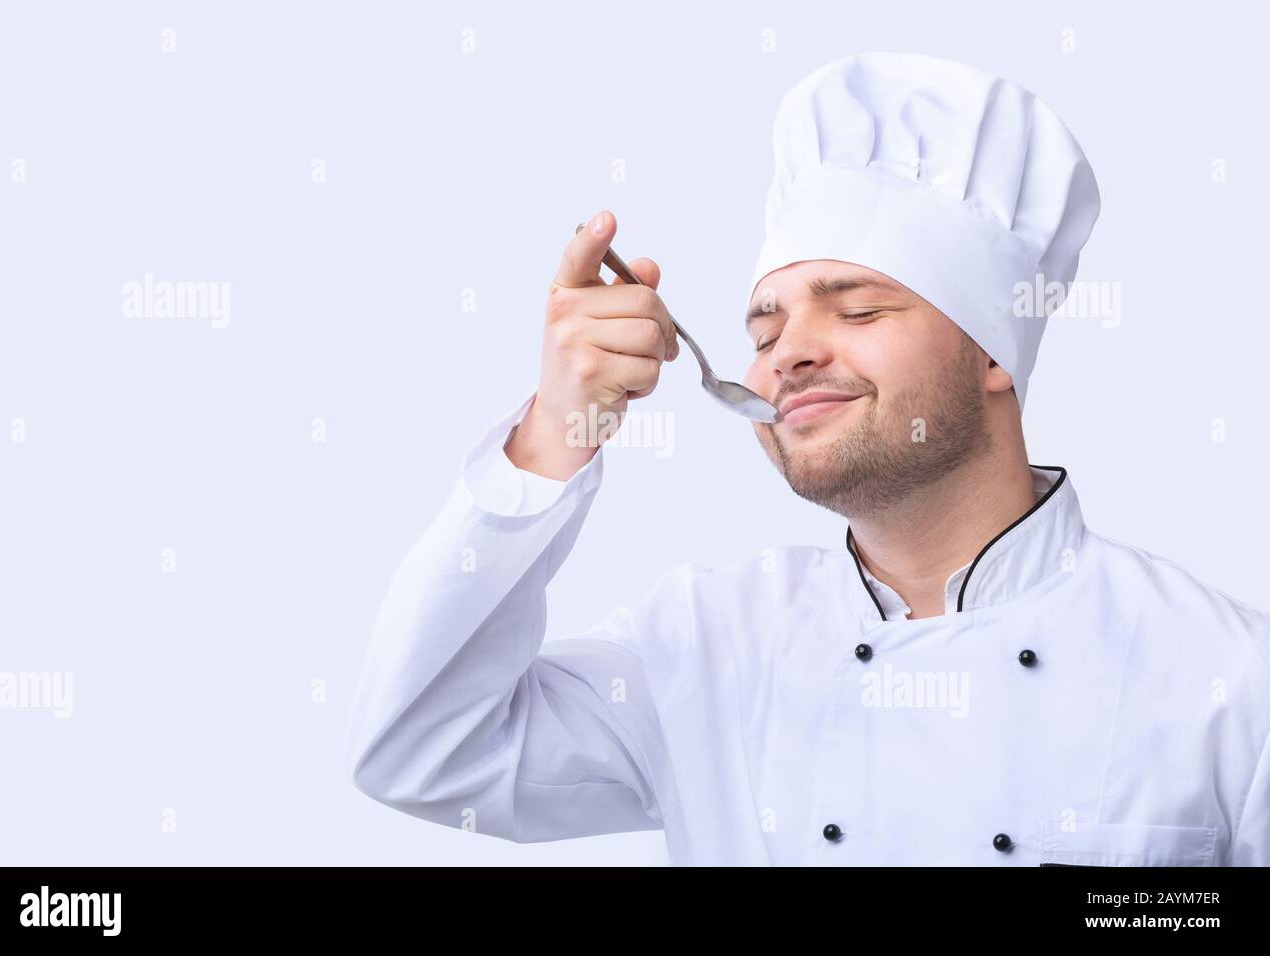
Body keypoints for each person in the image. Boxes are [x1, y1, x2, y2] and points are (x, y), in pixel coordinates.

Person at [346, 52, 1270, 865]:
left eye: (859, 308)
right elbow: (423, 751)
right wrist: (556, 433)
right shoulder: (706, 646)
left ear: (994, 351)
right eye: (764, 322)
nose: (786, 354)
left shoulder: (1225, 679)